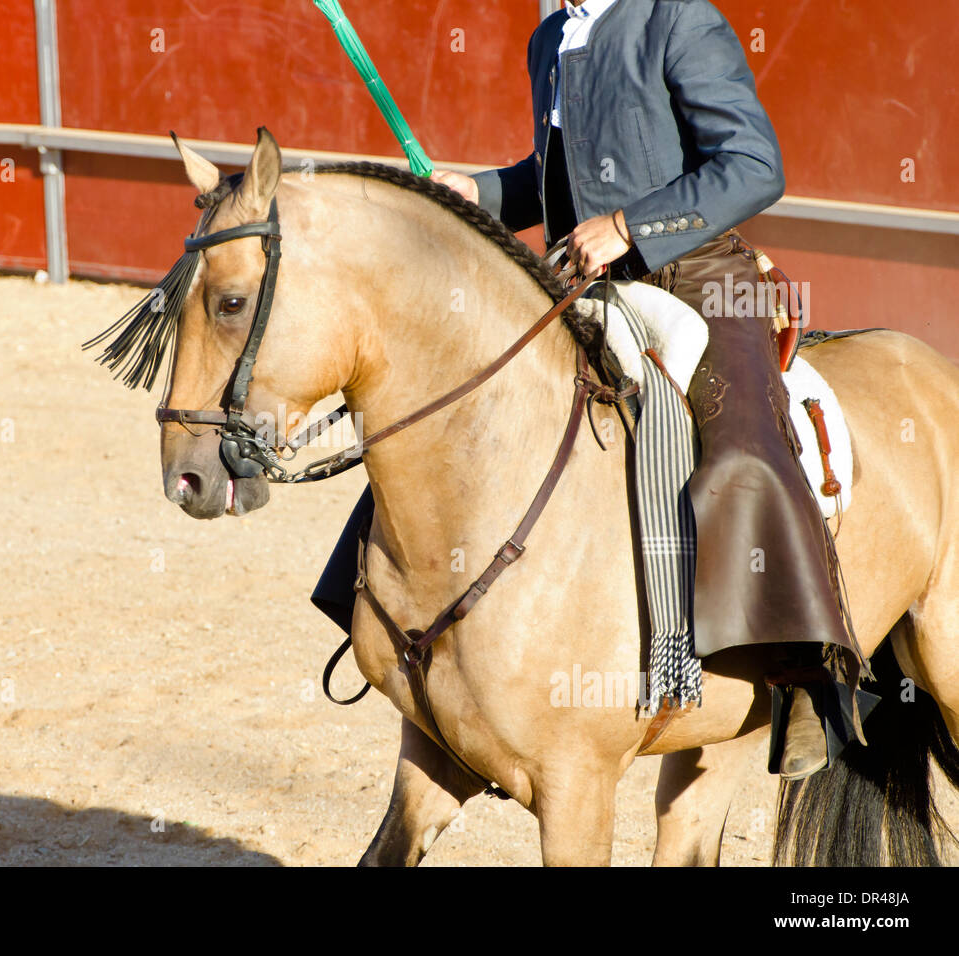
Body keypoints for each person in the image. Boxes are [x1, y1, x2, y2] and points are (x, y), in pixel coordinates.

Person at [315, 0, 864, 779]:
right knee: (456, 411)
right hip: (581, 284)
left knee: (743, 441)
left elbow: (753, 165)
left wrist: (631, 226)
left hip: (702, 278)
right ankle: (380, 610)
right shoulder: (551, 40)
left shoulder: (676, 18)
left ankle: (808, 671)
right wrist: (475, 192)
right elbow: (553, 181)